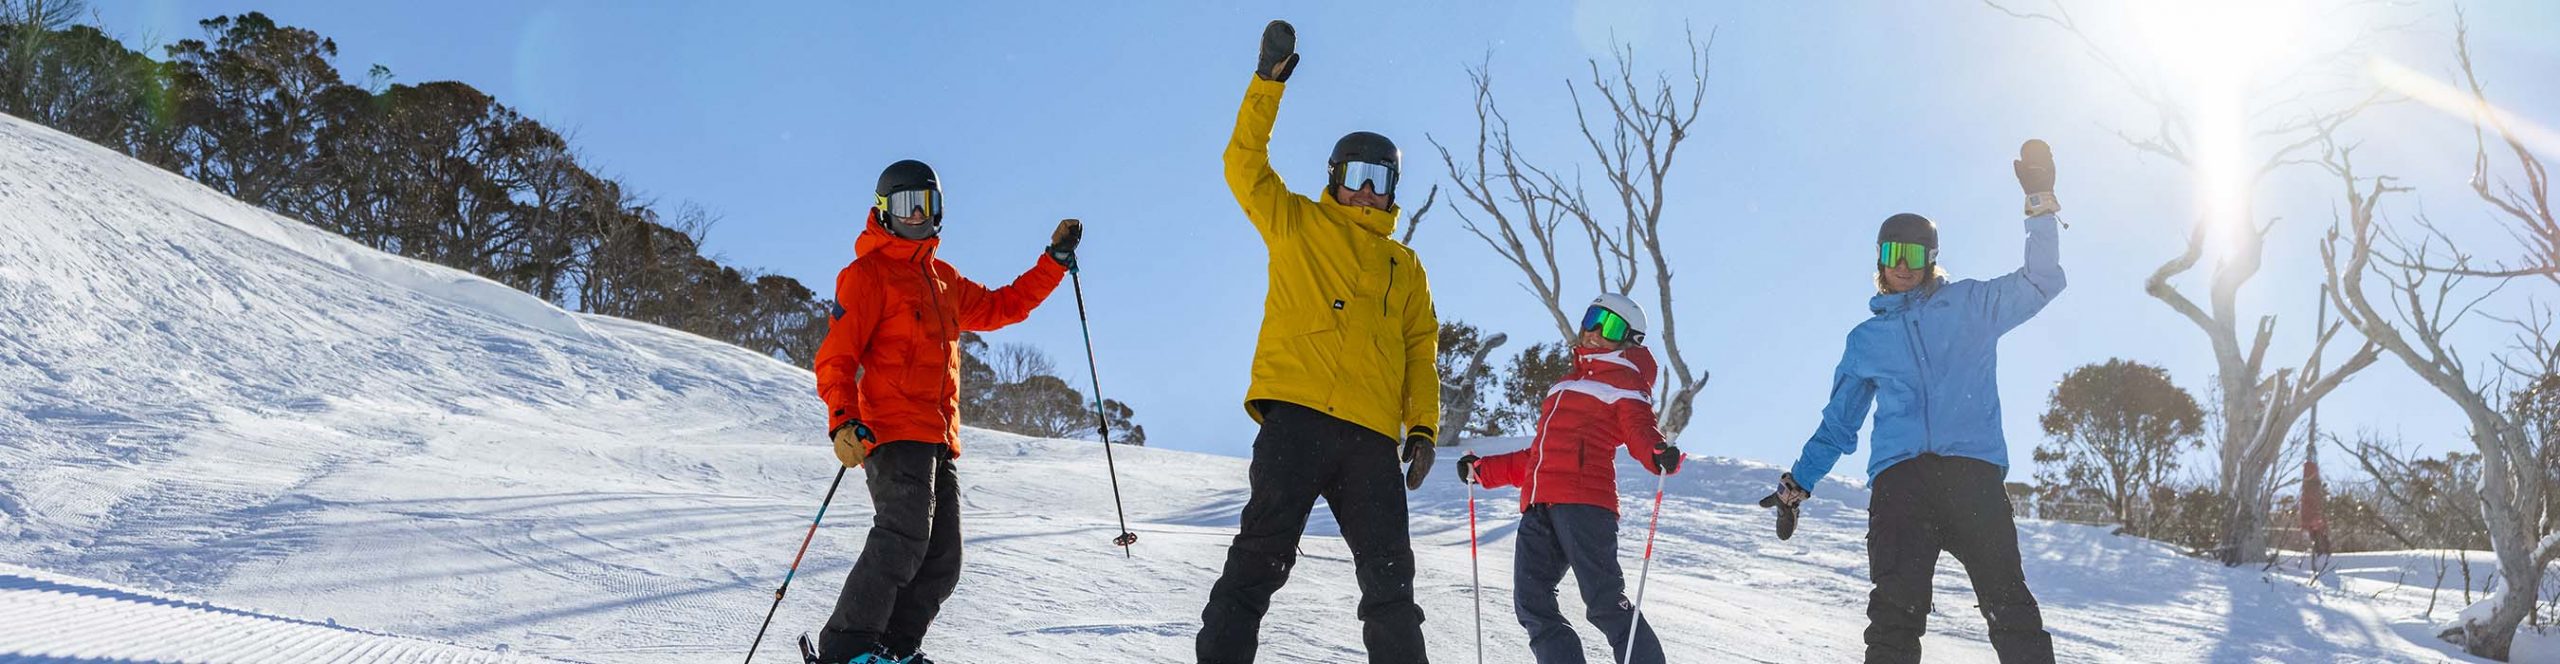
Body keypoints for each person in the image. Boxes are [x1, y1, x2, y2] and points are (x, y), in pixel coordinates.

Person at [1764, 140, 2068, 664]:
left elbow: (2041, 280)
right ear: (1878, 261)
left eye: (1912, 255)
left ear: (1931, 260)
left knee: (2009, 606)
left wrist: (2040, 201)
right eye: (1890, 254)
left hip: (1972, 476)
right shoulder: (1866, 340)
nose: (1901, 266)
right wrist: (1800, 482)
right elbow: (1839, 423)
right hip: (1901, 484)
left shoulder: (1972, 304)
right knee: (1893, 617)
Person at [1196, 19, 1442, 664]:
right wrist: (1267, 84)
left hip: (1370, 437)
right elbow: (1243, 165)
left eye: (1380, 178)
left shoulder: (1405, 266)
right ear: (1334, 175)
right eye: (1356, 173)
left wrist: (1422, 428)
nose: (1366, 189)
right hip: (1296, 419)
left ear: (1392, 190)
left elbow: (1421, 350)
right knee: (1259, 558)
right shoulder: (1296, 221)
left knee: (1391, 582)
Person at [805, 159, 1084, 664]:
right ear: (884, 211)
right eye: (906, 206)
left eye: (926, 205)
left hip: (937, 437)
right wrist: (843, 419)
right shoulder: (867, 275)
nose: (917, 216)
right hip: (890, 431)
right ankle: (847, 649)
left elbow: (1005, 306)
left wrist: (1054, 262)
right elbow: (836, 356)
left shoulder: (944, 281)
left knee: (942, 559)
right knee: (903, 537)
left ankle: (892, 649)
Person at [1456, 293, 1680, 664]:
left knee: (1604, 600)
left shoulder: (1626, 381)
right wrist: (1483, 471)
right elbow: (1539, 455)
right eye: (1592, 318)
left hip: (1585, 503)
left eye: (1609, 326)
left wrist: (1657, 453)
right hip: (1539, 505)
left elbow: (1640, 429)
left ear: (1630, 340)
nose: (1593, 331)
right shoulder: (1563, 385)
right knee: (1531, 601)